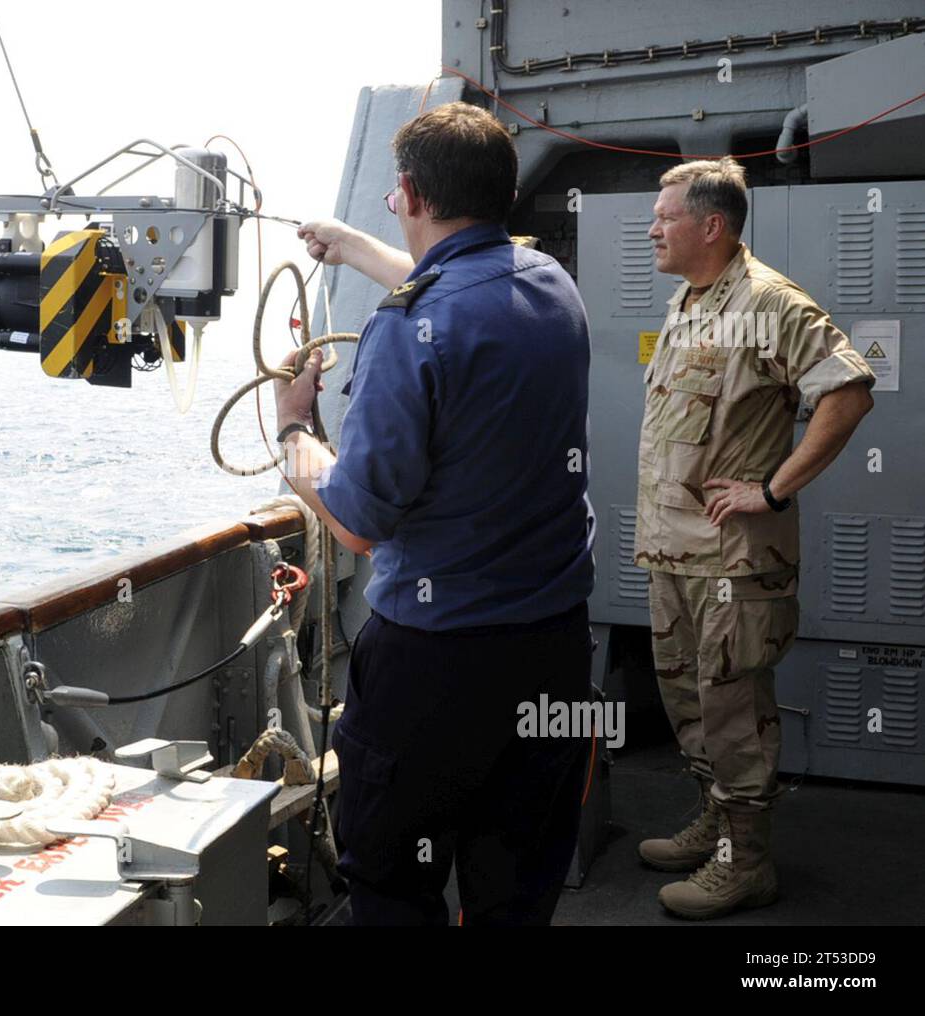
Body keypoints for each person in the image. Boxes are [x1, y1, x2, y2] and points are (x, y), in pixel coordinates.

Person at [273, 101, 596, 925]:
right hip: (553, 648)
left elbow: (354, 522)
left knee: (392, 881)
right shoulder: (551, 286)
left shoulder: (406, 327)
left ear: (411, 193)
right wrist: (350, 246)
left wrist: (294, 427)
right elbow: (462, 281)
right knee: (517, 884)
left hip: (436, 664)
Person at [635, 157, 875, 919]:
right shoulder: (689, 299)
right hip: (673, 554)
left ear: (712, 225)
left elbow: (848, 389)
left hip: (733, 565)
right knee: (692, 706)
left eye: (664, 215)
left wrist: (772, 490)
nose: (651, 228)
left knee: (735, 712)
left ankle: (748, 863)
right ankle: (717, 823)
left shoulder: (770, 302)